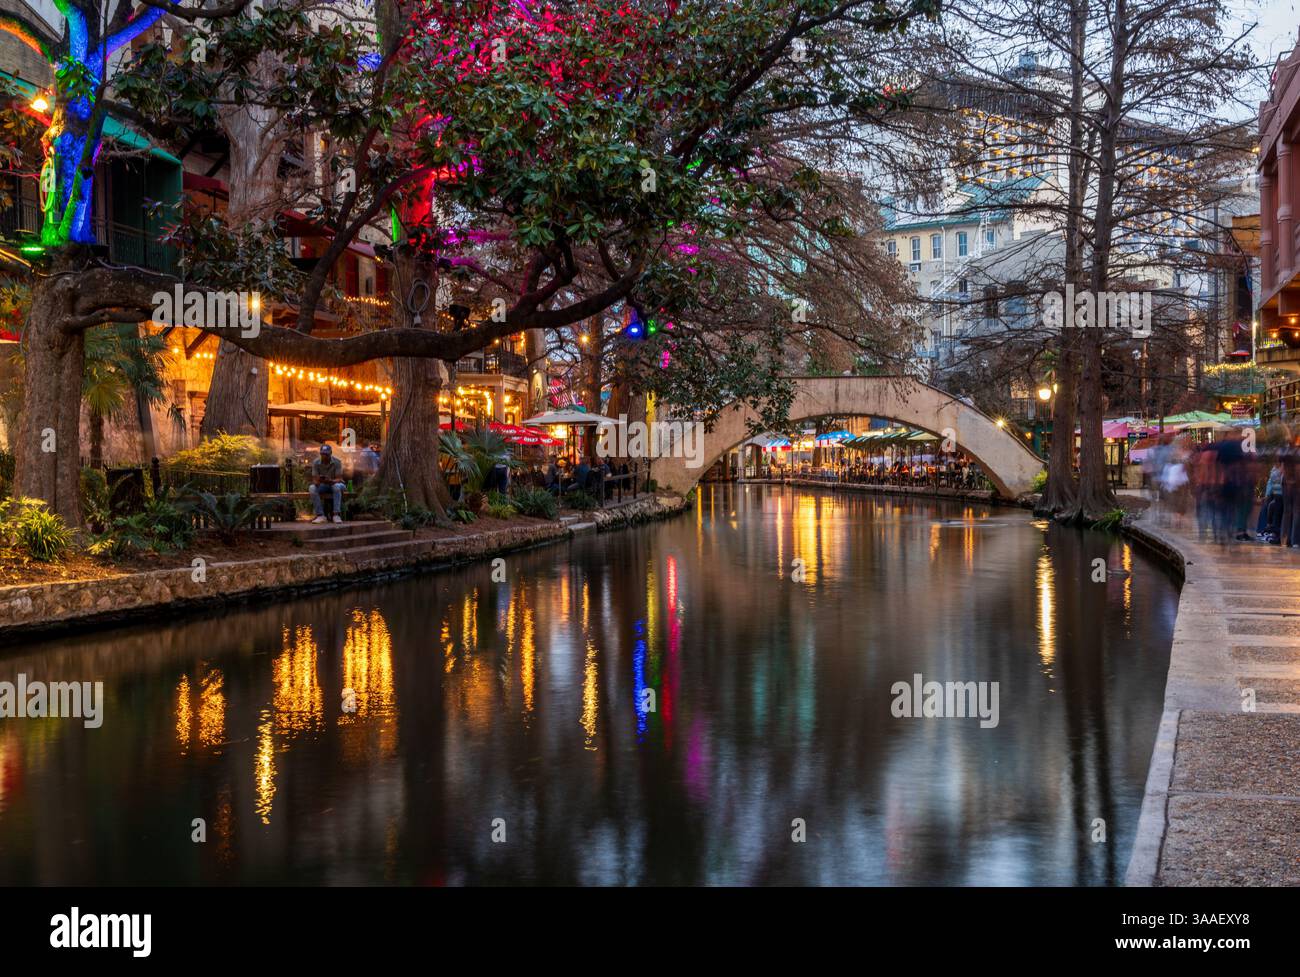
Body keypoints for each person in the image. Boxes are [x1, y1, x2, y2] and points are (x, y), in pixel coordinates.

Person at [310, 443, 346, 523]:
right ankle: (320, 515)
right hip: (323, 484)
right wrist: (318, 481)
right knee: (312, 488)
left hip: (336, 484)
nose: (324, 456)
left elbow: (339, 478)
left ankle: (336, 514)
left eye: (326, 454)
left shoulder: (337, 462)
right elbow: (314, 479)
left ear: (330, 453)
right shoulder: (316, 462)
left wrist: (330, 480)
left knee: (336, 486)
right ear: (320, 454)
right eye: (322, 454)